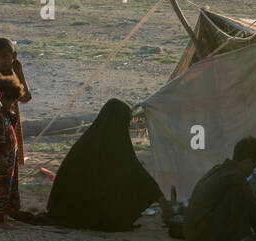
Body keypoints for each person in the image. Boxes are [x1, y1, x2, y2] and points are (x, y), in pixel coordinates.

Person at [44, 98, 167, 231]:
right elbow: (136, 173)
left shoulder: (91, 141)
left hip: (65, 207)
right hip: (81, 208)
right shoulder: (112, 146)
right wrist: (162, 201)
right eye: (126, 122)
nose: (128, 126)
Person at [184, 136, 256, 241]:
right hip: (204, 239)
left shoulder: (219, 169)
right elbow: (251, 212)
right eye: (254, 166)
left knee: (239, 197)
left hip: (192, 236)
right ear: (247, 161)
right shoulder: (237, 178)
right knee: (238, 197)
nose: (253, 171)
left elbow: (248, 206)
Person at [0, 37, 31, 165]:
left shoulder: (15, 77)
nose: (2, 61)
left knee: (11, 161)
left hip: (11, 126)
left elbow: (26, 97)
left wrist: (20, 73)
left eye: (5, 56)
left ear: (14, 55)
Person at [0, 76, 23, 225]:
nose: (12, 104)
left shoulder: (4, 115)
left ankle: (4, 216)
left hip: (8, 162)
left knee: (7, 188)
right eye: (10, 101)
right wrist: (1, 158)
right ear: (1, 97)